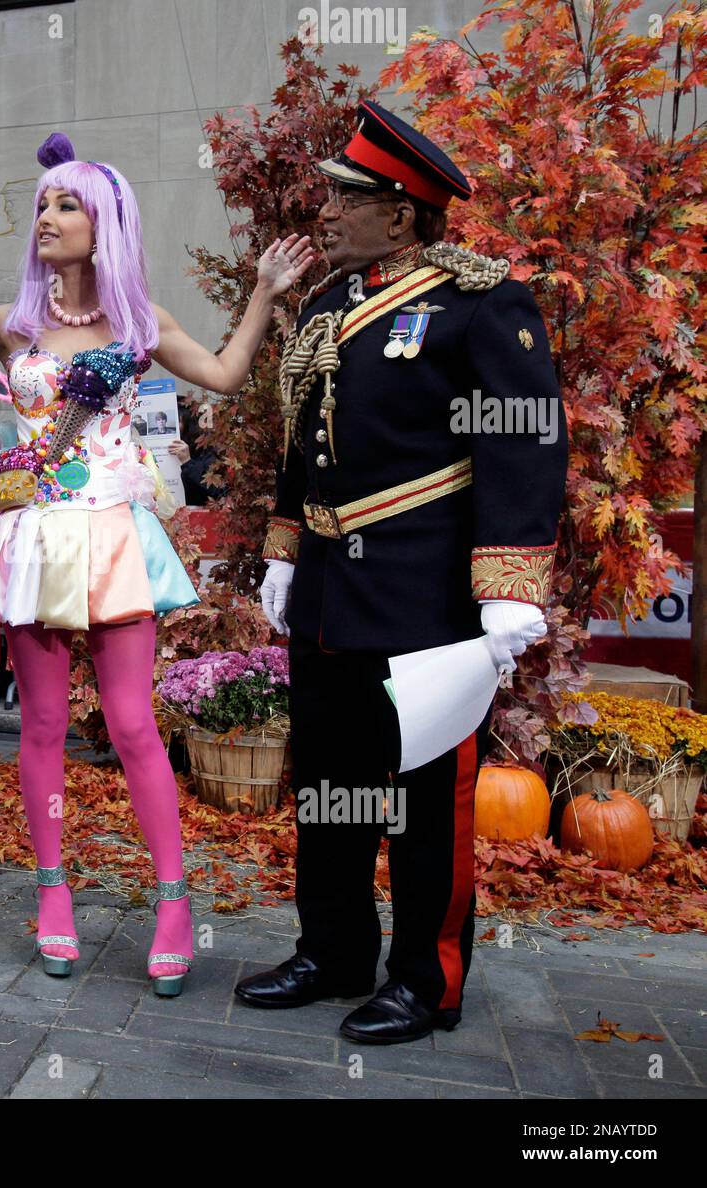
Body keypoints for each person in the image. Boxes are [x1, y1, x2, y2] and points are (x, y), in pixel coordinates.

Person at [0, 130, 314, 997]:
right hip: (36, 541)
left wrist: (264, 293)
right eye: (43, 205)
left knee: (131, 725)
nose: (48, 216)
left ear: (105, 220)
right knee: (40, 727)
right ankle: (52, 897)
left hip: (115, 536)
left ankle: (174, 902)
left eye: (66, 204)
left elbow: (227, 375)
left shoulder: (141, 324)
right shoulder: (13, 324)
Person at [235, 101, 567, 1044]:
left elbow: (525, 440)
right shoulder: (325, 306)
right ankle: (332, 948)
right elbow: (309, 443)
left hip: (427, 595)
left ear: (404, 211)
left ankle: (427, 978)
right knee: (333, 783)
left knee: (425, 799)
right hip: (336, 592)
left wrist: (510, 583)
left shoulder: (482, 301)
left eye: (346, 200)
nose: (326, 215)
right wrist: (286, 546)